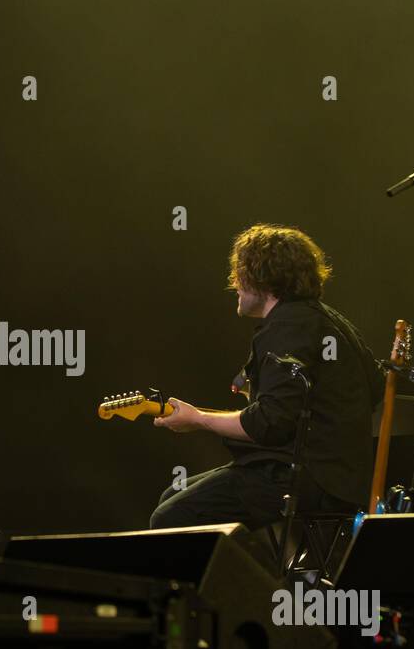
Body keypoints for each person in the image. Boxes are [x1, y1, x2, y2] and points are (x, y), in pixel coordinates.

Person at [150, 224, 382, 530]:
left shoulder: (287, 327)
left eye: (239, 275)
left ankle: (238, 579)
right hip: (344, 479)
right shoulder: (326, 319)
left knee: (170, 517)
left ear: (261, 278)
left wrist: (198, 420)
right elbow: (375, 390)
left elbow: (268, 424)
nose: (234, 284)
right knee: (173, 494)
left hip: (307, 479)